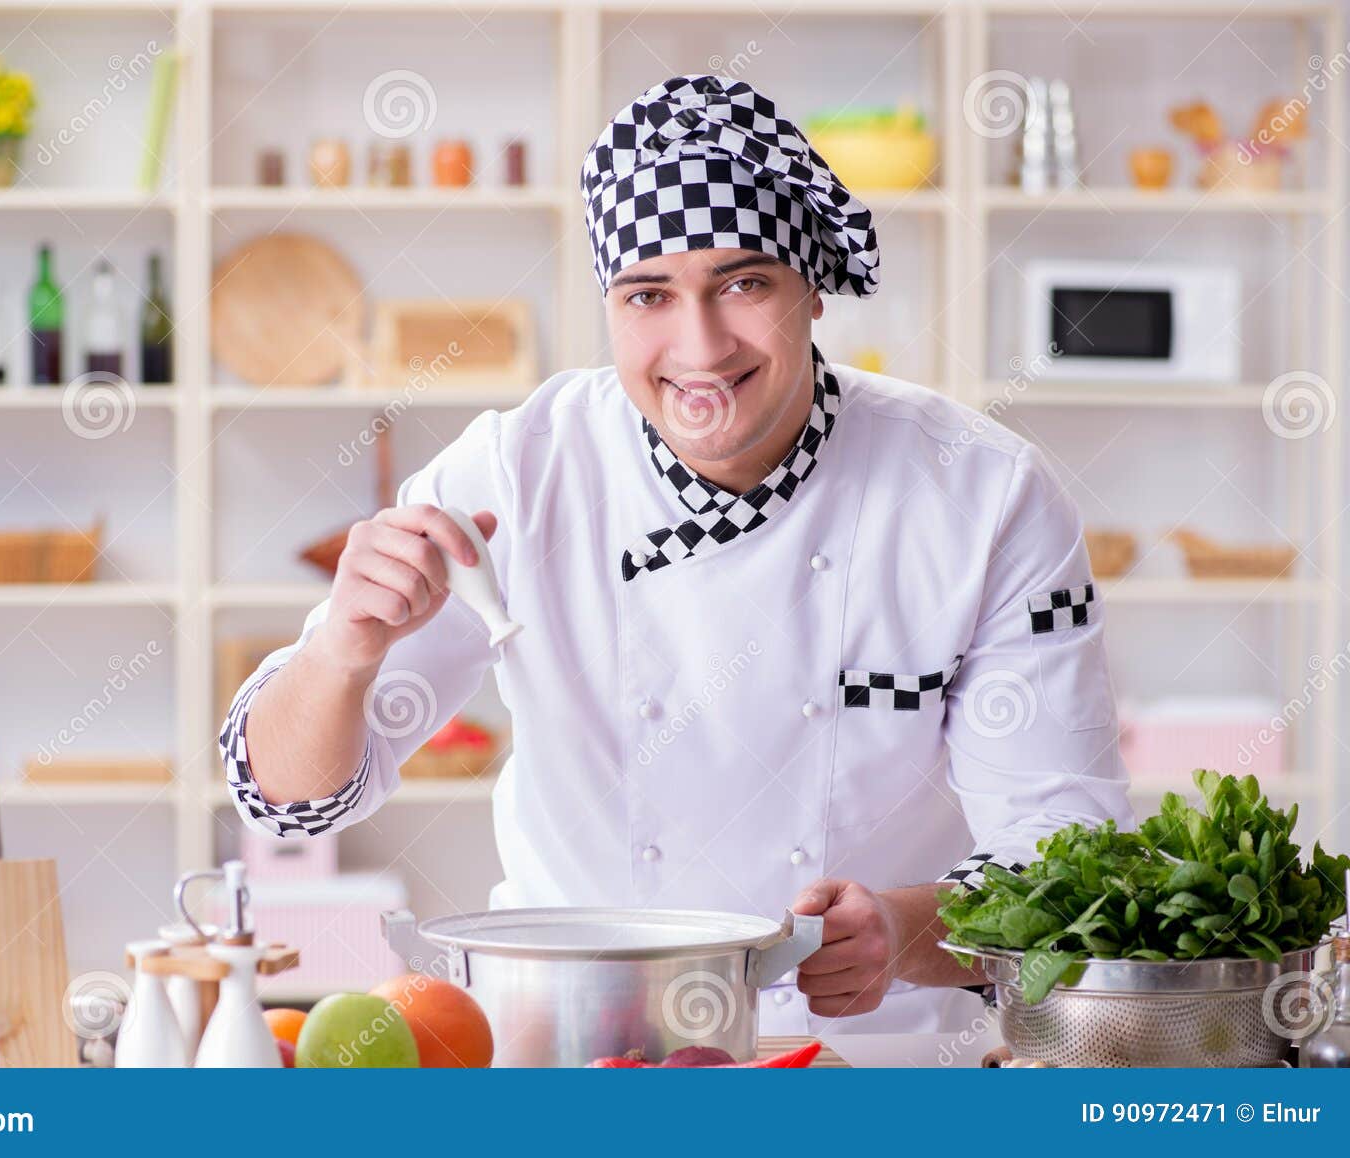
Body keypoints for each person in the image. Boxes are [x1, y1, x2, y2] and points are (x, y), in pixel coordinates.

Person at [221, 74, 1131, 1034]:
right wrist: (342, 655)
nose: (700, 348)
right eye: (650, 294)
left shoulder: (983, 496)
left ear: (812, 288)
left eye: (743, 283)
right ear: (611, 305)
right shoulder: (516, 471)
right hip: (572, 1048)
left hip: (877, 1059)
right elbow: (287, 806)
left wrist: (906, 932)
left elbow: (1076, 874)